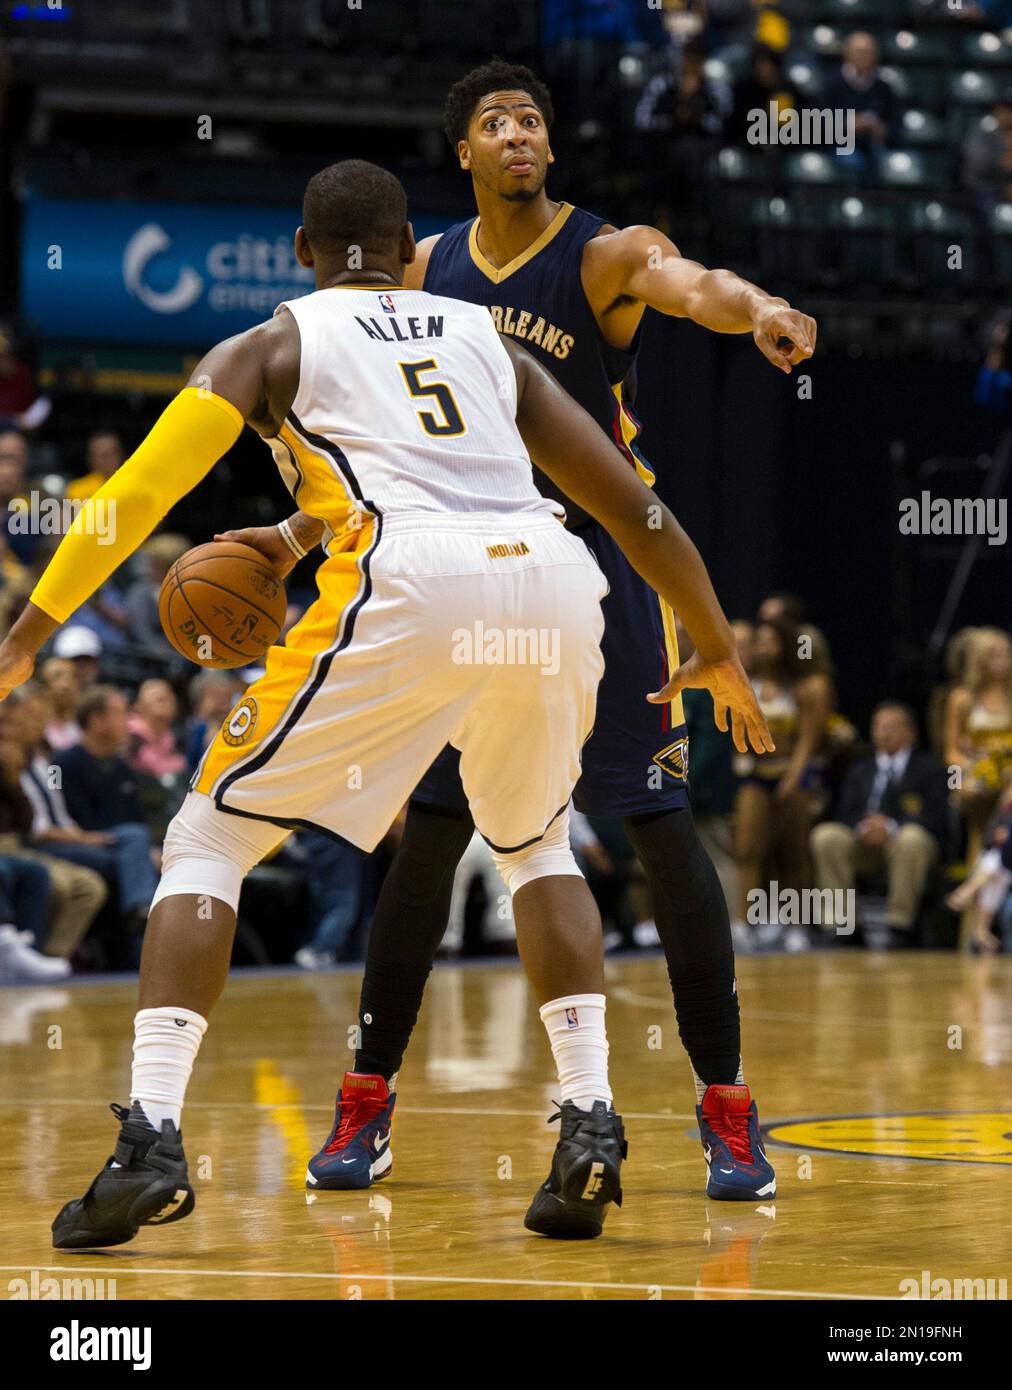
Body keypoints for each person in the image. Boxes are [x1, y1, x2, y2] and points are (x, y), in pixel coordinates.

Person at [0, 159, 772, 1249]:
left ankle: (153, 1139)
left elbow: (136, 496)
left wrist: (27, 636)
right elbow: (633, 509)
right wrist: (715, 641)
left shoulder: (268, 343)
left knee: (208, 833)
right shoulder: (482, 336)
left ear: (300, 252)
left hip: (406, 576)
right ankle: (591, 1118)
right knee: (537, 844)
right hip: (551, 578)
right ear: (407, 244)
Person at [247, 60, 814, 1201]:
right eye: (497, 122)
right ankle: (367, 1100)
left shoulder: (602, 252)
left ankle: (727, 1112)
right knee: (428, 843)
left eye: (534, 124)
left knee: (658, 829)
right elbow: (335, 375)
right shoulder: (422, 270)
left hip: (597, 572)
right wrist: (297, 522)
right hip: (468, 568)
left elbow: (688, 281)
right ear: (461, 148)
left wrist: (757, 308)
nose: (520, 136)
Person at [810, 702, 949, 948]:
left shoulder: (930, 768)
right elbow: (844, 813)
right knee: (826, 836)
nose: (883, 733)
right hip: (865, 844)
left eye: (891, 727)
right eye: (878, 726)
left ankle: (900, 924)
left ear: (911, 733)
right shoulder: (860, 769)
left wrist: (891, 827)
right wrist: (864, 828)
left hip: (906, 846)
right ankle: (842, 924)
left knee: (911, 837)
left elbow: (937, 817)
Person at [731, 617, 824, 951]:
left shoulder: (802, 688)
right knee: (748, 848)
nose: (764, 648)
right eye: (760, 641)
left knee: (793, 850)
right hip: (755, 773)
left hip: (792, 772)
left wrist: (793, 777)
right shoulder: (745, 682)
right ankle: (744, 921)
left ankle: (796, 924)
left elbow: (808, 740)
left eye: (772, 641)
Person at [65, 429, 125, 503]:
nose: (107, 460)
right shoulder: (77, 490)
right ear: (90, 459)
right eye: (101, 455)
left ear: (121, 455)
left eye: (111, 453)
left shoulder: (133, 484)